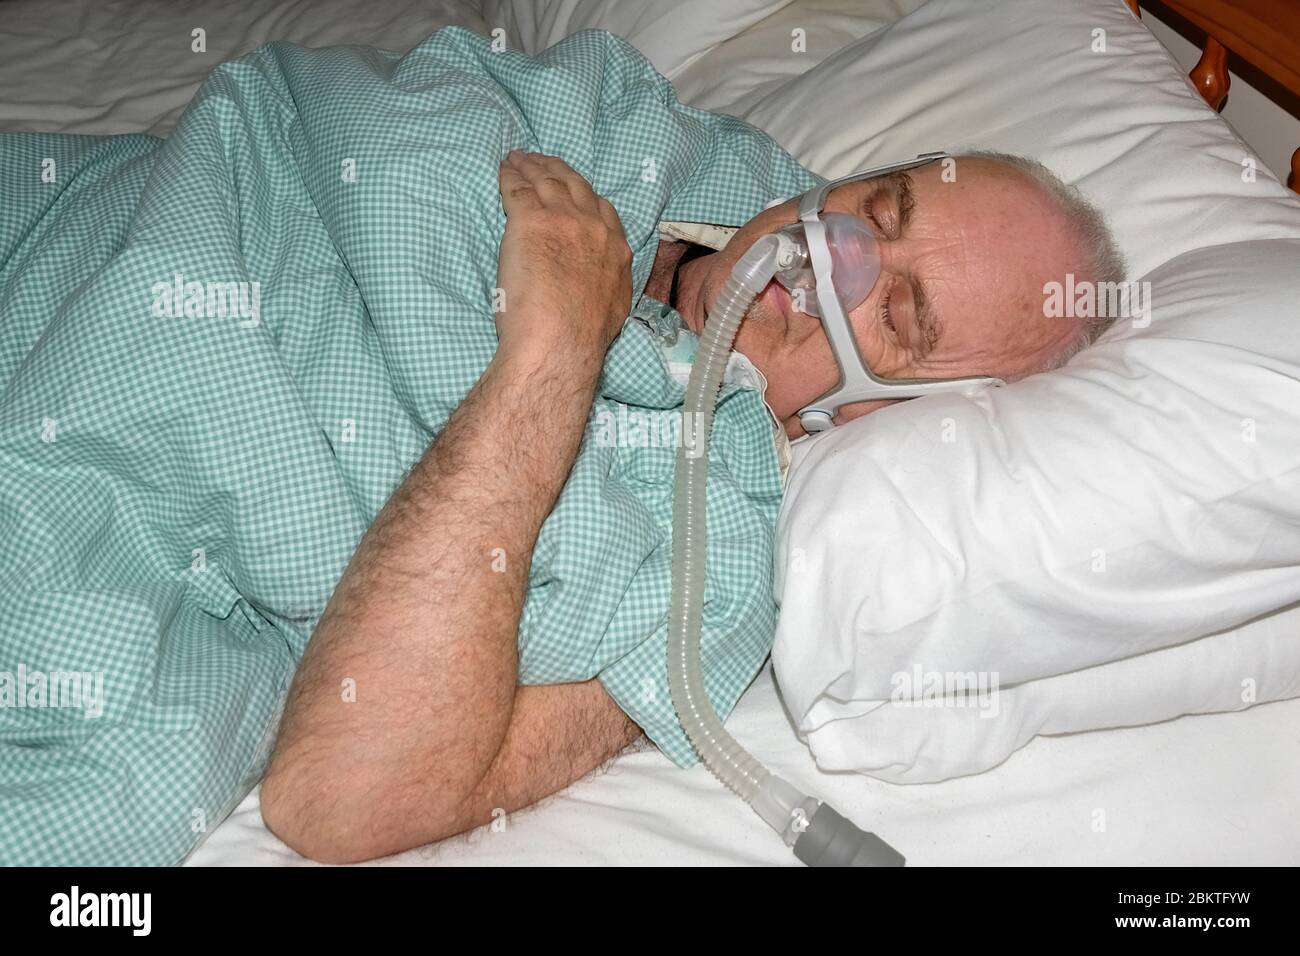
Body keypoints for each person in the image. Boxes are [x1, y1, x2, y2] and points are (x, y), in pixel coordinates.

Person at [259, 149, 1125, 863]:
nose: (836, 260)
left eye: (895, 315)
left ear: (883, 417)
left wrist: (553, 352)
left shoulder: (719, 570)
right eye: (881, 210)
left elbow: (344, 800)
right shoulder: (623, 126)